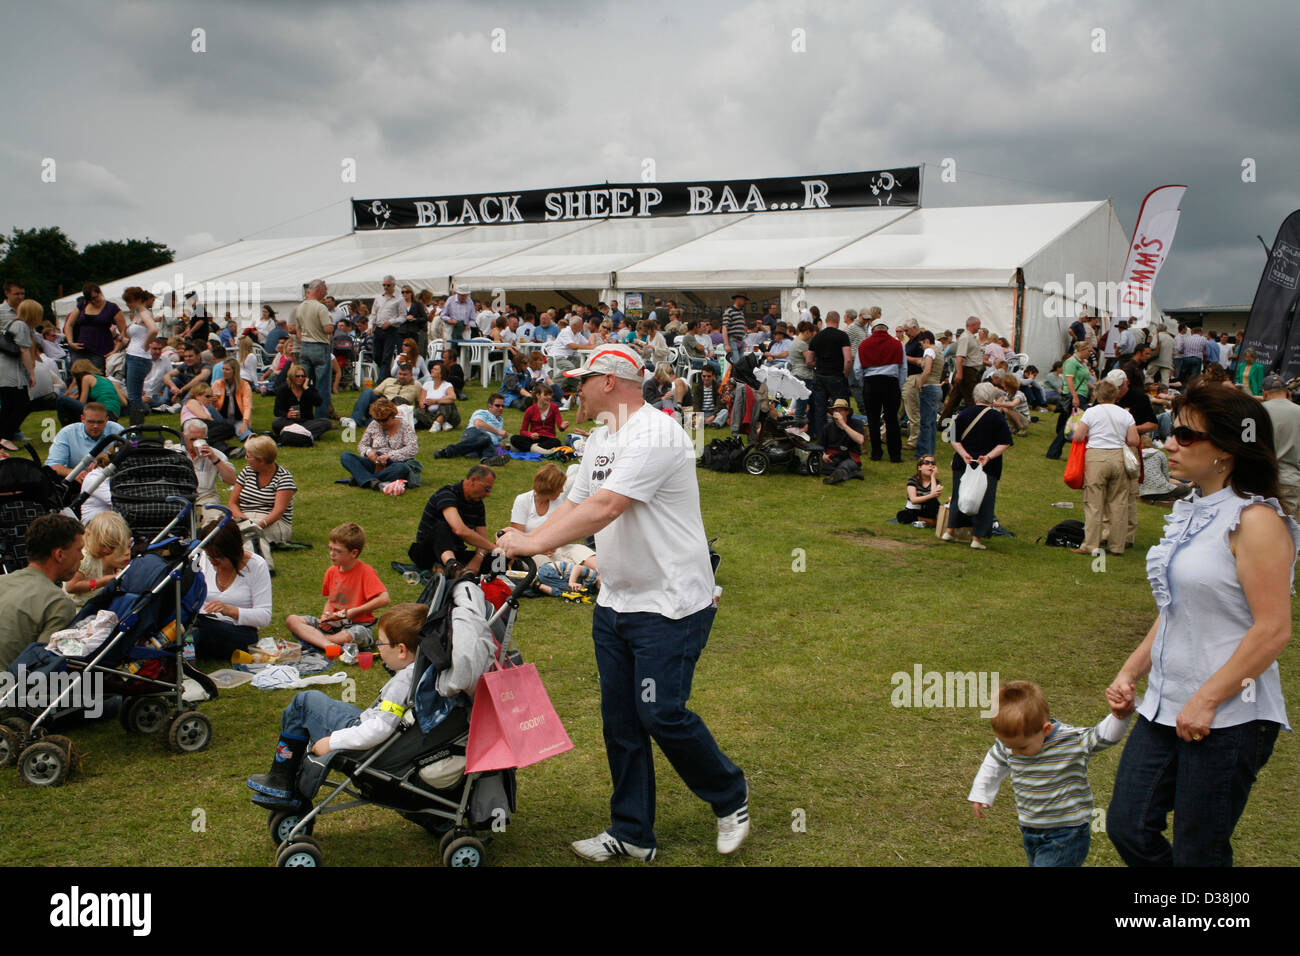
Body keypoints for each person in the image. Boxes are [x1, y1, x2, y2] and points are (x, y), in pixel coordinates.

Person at [497, 345, 749, 861]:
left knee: (660, 713)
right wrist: (528, 535)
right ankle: (632, 831)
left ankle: (730, 795)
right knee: (621, 719)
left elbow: (607, 507)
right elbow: (576, 501)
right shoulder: (600, 439)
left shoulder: (656, 434)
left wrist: (532, 545)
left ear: (609, 381)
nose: (576, 391)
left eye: (582, 381)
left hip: (670, 602)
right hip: (617, 599)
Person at [1105, 383, 1299, 866]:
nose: (1170, 442)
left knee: (1199, 852)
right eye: (1173, 430)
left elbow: (1273, 629)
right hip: (1164, 705)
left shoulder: (1256, 521)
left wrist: (1208, 699)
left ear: (1227, 452)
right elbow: (1177, 608)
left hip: (1230, 716)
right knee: (1128, 825)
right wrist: (1132, 670)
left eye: (1186, 436)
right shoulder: (1190, 510)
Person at [246, 603, 425, 807]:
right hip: (372, 728)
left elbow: (380, 728)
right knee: (311, 702)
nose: (378, 648)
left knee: (304, 703)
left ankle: (281, 778)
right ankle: (286, 776)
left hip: (364, 735)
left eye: (381, 644)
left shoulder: (404, 682)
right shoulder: (421, 671)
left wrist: (333, 741)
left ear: (401, 650)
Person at [969, 680, 1132, 867]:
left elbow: (1103, 736)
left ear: (1045, 729)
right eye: (1008, 746)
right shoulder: (1011, 745)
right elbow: (994, 762)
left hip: (1066, 834)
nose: (1014, 753)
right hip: (1030, 829)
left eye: (1021, 747)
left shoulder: (1071, 741)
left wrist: (1120, 717)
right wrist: (981, 792)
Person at [285, 522, 390, 653]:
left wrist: (354, 611)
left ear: (354, 553)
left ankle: (318, 640)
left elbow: (384, 599)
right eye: (330, 548)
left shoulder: (365, 572)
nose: (332, 554)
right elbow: (331, 600)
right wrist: (325, 616)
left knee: (353, 634)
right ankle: (328, 644)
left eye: (338, 551)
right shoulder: (331, 571)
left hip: (357, 626)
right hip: (333, 625)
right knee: (292, 620)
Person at [0, 514, 83, 671]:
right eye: (79, 550)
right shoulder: (58, 603)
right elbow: (42, 667)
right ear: (59, 555)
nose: (82, 556)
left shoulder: (2, 581)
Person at [1070, 380, 1140, 557]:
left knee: (1093, 503)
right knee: (1118, 503)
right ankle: (1116, 546)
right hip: (1118, 458)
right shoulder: (1125, 414)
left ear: (1097, 395)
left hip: (1096, 457)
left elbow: (1078, 436)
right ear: (1115, 395)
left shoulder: (1092, 412)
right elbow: (1134, 440)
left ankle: (1090, 545)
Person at [943, 382, 1013, 550]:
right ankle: (976, 538)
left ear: (975, 396)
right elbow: (1006, 443)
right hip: (987, 465)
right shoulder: (997, 417)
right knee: (985, 500)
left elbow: (953, 438)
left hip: (963, 462)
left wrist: (963, 453)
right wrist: (988, 457)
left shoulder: (963, 413)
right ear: (991, 398)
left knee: (958, 495)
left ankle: (950, 530)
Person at [191, 519, 273, 659]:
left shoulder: (257, 565)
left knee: (200, 627)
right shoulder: (204, 559)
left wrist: (229, 610)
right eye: (211, 557)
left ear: (234, 552)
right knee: (188, 624)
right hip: (203, 623)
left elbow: (264, 616)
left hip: (238, 632)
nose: (213, 562)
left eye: (219, 558)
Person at [408, 465, 497, 577]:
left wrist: (477, 560)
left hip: (456, 552)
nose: (488, 494)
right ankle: (452, 567)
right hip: (427, 552)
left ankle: (450, 569)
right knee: (442, 526)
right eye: (487, 489)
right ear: (473, 480)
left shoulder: (478, 505)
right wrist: (493, 547)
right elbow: (459, 529)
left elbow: (483, 540)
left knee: (497, 559)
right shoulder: (447, 494)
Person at [229, 435, 297, 555]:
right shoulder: (246, 472)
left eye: (248, 456)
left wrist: (257, 525)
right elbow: (232, 503)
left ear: (260, 460)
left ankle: (260, 563)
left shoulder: (284, 478)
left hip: (272, 522)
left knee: (249, 535)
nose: (245, 459)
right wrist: (243, 520)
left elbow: (278, 511)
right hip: (245, 517)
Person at [338, 397, 419, 491]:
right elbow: (362, 445)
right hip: (374, 463)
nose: (380, 423)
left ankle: (362, 478)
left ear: (392, 415)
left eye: (384, 420)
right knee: (346, 456)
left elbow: (412, 448)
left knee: (402, 468)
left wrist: (389, 456)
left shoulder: (405, 425)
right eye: (377, 420)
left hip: (394, 464)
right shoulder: (373, 424)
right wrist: (369, 452)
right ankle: (372, 481)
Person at [857, 320, 905, 462]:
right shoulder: (898, 344)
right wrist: (899, 385)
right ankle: (895, 455)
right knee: (892, 420)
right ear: (887, 330)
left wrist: (862, 384)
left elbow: (857, 369)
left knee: (873, 420)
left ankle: (876, 453)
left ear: (873, 330)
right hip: (891, 383)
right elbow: (903, 368)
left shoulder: (864, 345)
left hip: (871, 382)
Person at [62, 511, 131, 607]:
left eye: (112, 547)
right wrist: (100, 582)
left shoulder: (96, 557)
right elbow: (71, 587)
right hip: (76, 608)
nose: (106, 550)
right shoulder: (85, 559)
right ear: (89, 536)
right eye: (103, 545)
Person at [46, 403, 125, 483]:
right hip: (76, 482)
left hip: (110, 480)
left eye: (100, 422)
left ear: (107, 419)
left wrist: (103, 465)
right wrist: (74, 473)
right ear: (82, 419)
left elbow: (129, 459)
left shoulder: (117, 430)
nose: (95, 426)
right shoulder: (67, 433)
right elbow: (52, 465)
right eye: (91, 422)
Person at [293, 279, 336, 418]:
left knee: (302, 382)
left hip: (305, 347)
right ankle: (321, 418)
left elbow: (298, 332)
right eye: (325, 289)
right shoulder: (320, 307)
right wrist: (331, 324)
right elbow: (327, 329)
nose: (326, 292)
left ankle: (300, 413)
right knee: (322, 385)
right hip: (320, 347)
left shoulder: (300, 307)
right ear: (318, 290)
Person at [1046, 341, 1094, 459]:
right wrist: (1075, 396)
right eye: (1089, 350)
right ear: (1082, 350)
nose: (1090, 353)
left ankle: (1054, 452)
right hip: (1075, 396)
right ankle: (1055, 451)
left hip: (1080, 395)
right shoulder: (1071, 362)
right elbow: (1069, 380)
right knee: (1075, 423)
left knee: (1070, 424)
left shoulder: (1082, 363)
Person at [0, 293, 35, 450]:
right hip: (11, 373)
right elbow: (24, 351)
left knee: (8, 405)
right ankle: (6, 436)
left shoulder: (12, 324)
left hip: (4, 371)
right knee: (22, 404)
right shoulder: (21, 326)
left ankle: (4, 435)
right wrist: (31, 373)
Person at [63, 283, 125, 372]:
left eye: (95, 297)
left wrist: (116, 349)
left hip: (101, 351)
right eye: (90, 299)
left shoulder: (112, 307)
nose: (94, 301)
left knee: (97, 378)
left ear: (100, 292)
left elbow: (123, 330)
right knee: (79, 378)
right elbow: (69, 325)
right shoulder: (82, 305)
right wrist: (70, 342)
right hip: (80, 350)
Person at [119, 287, 159, 425]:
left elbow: (154, 329)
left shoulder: (144, 313)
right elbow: (135, 337)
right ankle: (136, 427)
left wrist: (146, 344)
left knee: (134, 397)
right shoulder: (137, 314)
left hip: (139, 358)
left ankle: (136, 429)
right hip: (133, 356)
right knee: (134, 395)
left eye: (129, 302)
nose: (128, 305)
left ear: (138, 300)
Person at [1261, 374, 1300, 515]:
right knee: (1292, 532)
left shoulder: (1253, 413)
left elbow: (1245, 446)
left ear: (1264, 393)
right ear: (1287, 391)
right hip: (1292, 479)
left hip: (1262, 479)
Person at [808, 311, 852, 435]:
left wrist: (818, 364)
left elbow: (809, 360)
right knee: (841, 407)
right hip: (837, 375)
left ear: (826, 321)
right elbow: (848, 359)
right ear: (837, 321)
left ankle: (822, 437)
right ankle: (842, 435)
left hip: (820, 376)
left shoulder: (816, 337)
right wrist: (846, 373)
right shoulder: (842, 336)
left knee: (820, 409)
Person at [346, 362, 422, 429]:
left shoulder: (417, 385)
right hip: (381, 403)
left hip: (397, 409)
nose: (401, 376)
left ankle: (369, 422)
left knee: (379, 422)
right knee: (368, 391)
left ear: (411, 375)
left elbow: (419, 403)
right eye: (400, 374)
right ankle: (355, 420)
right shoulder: (389, 380)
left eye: (405, 374)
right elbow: (374, 393)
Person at [182, 419, 239, 510]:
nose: (196, 443)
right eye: (193, 439)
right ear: (183, 436)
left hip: (206, 498)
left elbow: (232, 480)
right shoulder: (175, 452)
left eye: (202, 439)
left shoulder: (215, 454)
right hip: (180, 497)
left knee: (213, 519)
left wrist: (214, 459)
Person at [433, 393, 509, 460]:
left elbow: (495, 439)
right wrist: (498, 432)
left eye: (502, 406)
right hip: (472, 434)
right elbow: (478, 424)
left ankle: (488, 459)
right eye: (497, 405)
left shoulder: (500, 421)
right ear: (489, 406)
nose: (501, 408)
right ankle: (447, 451)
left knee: (488, 442)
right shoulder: (482, 412)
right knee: (486, 437)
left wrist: (501, 445)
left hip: (486, 442)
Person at [940, 316, 985, 421]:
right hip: (967, 371)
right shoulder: (965, 337)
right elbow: (960, 357)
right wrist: (960, 373)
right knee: (971, 398)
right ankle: (976, 422)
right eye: (978, 326)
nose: (979, 328)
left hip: (968, 370)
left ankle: (942, 422)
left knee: (954, 399)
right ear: (973, 325)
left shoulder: (970, 337)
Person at [271, 363, 331, 441]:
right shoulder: (283, 389)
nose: (300, 378)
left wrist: (306, 388)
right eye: (297, 376)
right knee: (276, 422)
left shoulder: (308, 389)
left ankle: (293, 434)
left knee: (326, 423)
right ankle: (305, 434)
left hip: (306, 421)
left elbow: (318, 402)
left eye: (303, 376)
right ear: (292, 377)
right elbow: (277, 411)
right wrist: (287, 414)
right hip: (290, 422)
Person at [509, 463, 567, 533]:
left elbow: (561, 532)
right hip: (525, 543)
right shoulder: (522, 500)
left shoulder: (559, 502)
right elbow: (518, 534)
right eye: (560, 486)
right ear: (550, 488)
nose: (562, 490)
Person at [511, 384, 569, 452]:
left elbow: (560, 427)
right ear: (538, 395)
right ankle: (538, 449)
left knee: (556, 442)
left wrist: (563, 426)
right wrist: (530, 434)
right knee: (514, 438)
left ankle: (531, 448)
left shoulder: (554, 408)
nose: (549, 397)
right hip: (534, 438)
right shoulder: (530, 410)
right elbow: (523, 431)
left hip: (549, 438)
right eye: (546, 395)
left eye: (550, 395)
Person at [820, 398, 865, 485]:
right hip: (834, 456)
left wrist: (843, 425)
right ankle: (852, 473)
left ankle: (839, 475)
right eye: (835, 411)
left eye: (840, 411)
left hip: (850, 456)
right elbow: (821, 446)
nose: (837, 413)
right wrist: (824, 455)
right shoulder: (828, 427)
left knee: (846, 466)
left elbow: (860, 440)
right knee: (823, 467)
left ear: (847, 412)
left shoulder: (856, 424)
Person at [915, 331, 943, 458]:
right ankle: (930, 451)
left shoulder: (929, 351)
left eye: (921, 343)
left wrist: (920, 384)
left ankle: (923, 452)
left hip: (929, 387)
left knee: (925, 422)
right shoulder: (939, 351)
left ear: (926, 340)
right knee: (931, 423)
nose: (921, 347)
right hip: (937, 387)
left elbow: (927, 371)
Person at [211, 357, 253, 441]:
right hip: (222, 418)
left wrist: (245, 422)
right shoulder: (217, 383)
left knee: (244, 433)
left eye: (227, 369)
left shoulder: (244, 385)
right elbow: (212, 405)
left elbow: (247, 406)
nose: (224, 371)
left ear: (234, 371)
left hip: (238, 419)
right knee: (209, 407)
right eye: (223, 369)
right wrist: (213, 401)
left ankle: (249, 438)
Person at [160, 343, 212, 409]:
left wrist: (181, 390)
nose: (187, 359)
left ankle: (180, 405)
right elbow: (166, 376)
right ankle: (165, 404)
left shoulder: (206, 366)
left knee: (198, 385)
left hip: (200, 393)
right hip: (186, 391)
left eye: (190, 356)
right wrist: (173, 387)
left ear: (198, 356)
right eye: (185, 356)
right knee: (173, 380)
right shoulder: (185, 365)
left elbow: (200, 378)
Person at [896, 457, 943, 526]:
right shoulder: (913, 480)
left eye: (933, 463)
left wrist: (933, 477)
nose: (930, 465)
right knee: (902, 515)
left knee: (933, 501)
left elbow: (935, 497)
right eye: (927, 463)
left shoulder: (936, 481)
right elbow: (913, 500)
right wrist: (931, 495)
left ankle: (928, 521)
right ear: (919, 468)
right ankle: (930, 522)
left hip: (928, 510)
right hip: (913, 510)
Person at [418, 360, 461, 432]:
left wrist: (435, 401)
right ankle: (443, 423)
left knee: (446, 404)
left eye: (435, 369)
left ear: (441, 374)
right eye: (432, 368)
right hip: (430, 413)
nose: (432, 370)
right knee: (418, 411)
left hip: (449, 415)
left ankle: (438, 423)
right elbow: (421, 401)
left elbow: (453, 397)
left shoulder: (447, 385)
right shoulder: (427, 384)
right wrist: (424, 404)